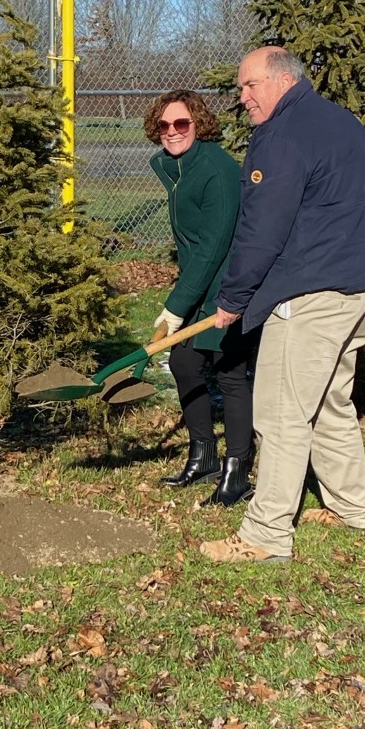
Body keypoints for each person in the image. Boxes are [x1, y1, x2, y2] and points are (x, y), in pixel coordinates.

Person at [201, 46, 365, 564]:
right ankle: (353, 507)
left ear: (283, 81)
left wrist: (233, 298)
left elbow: (261, 229)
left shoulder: (281, 137)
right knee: (331, 401)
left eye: (250, 85)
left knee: (282, 412)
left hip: (311, 293)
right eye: (240, 87)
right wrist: (348, 229)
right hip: (363, 287)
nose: (242, 97)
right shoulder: (339, 119)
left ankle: (266, 535)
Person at [145, 89, 258, 506]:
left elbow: (215, 245)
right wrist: (183, 299)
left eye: (182, 124)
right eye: (164, 125)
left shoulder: (215, 169)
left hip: (229, 283)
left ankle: (238, 470)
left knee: (229, 373)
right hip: (201, 281)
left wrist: (176, 308)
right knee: (184, 361)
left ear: (199, 124)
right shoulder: (177, 168)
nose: (172, 132)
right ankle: (204, 454)